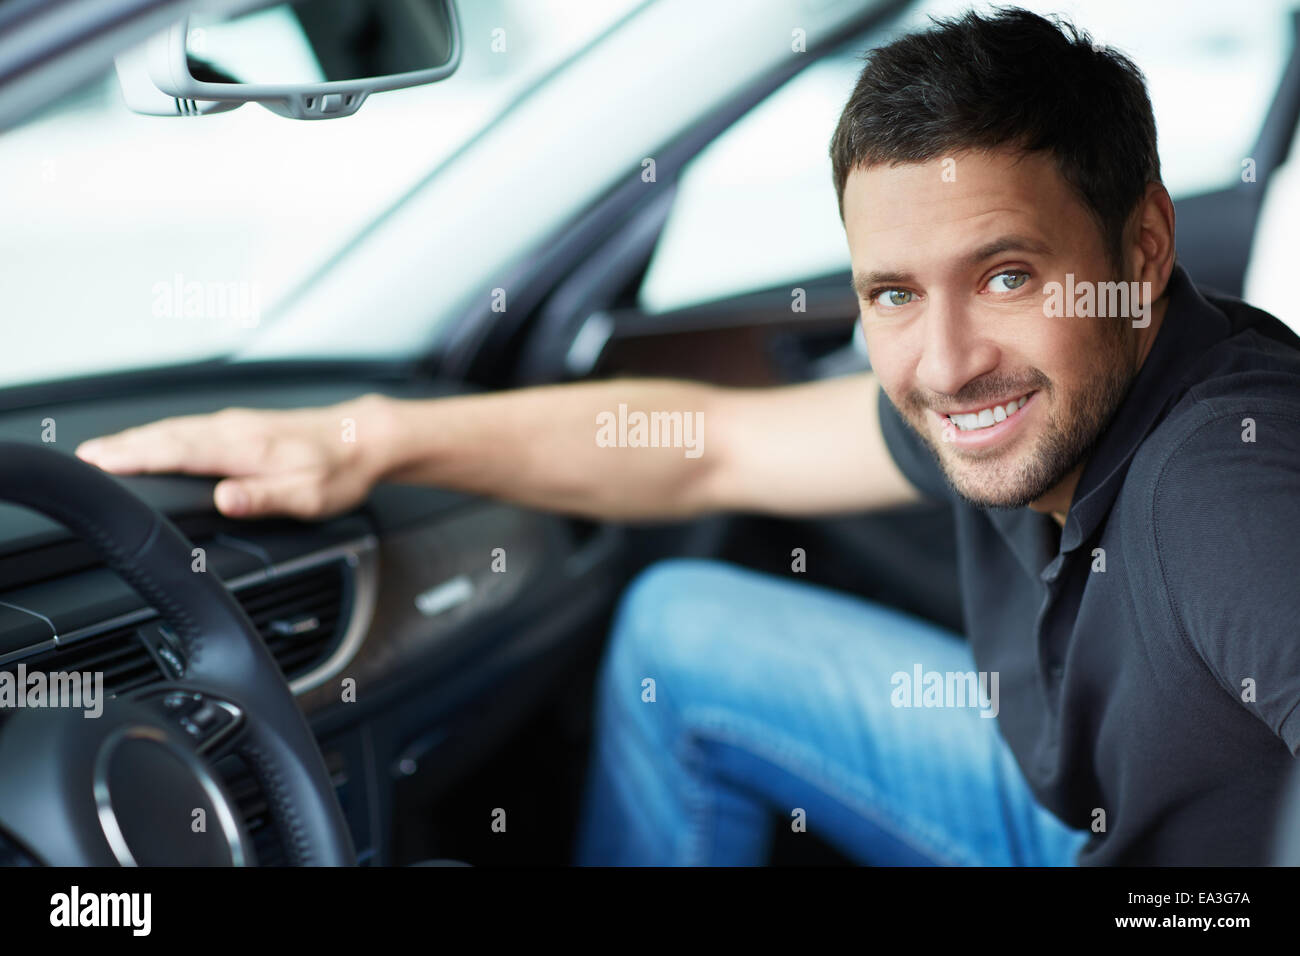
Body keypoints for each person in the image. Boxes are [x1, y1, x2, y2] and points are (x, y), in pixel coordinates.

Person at [76, 8, 1300, 865]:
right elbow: (705, 444)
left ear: (1142, 247)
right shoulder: (1045, 394)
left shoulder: (1221, 481)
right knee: (677, 628)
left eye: (1008, 274)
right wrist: (367, 441)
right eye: (892, 293)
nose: (942, 363)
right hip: (1092, 808)